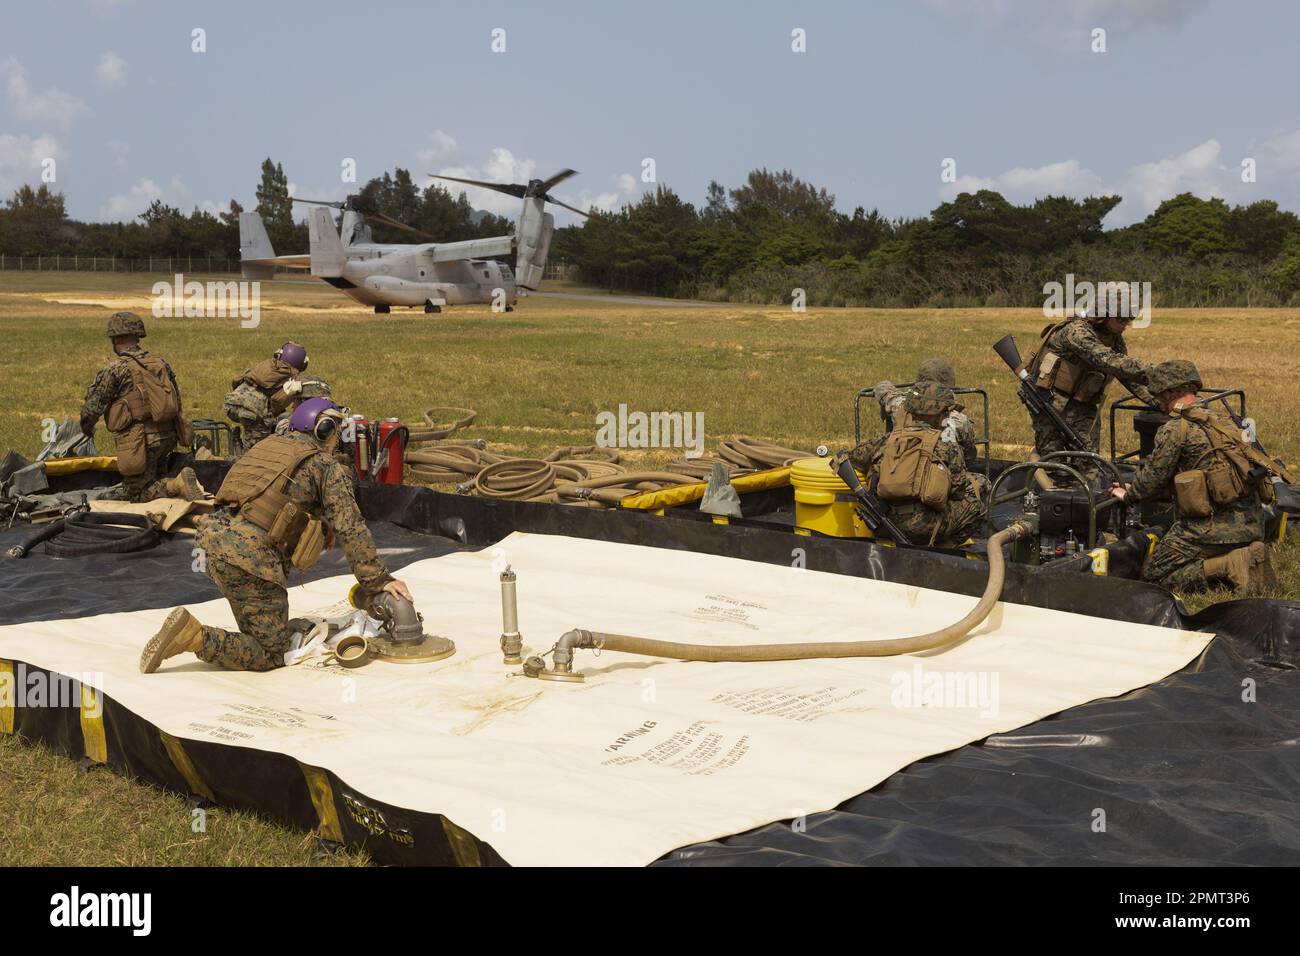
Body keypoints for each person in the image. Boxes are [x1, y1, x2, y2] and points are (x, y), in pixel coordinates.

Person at [140, 397, 412, 674]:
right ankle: (194, 637)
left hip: (211, 546)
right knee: (271, 653)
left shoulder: (265, 447)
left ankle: (256, 631)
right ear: (323, 429)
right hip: (251, 562)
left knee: (266, 629)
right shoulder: (323, 466)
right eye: (336, 433)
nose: (337, 442)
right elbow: (351, 528)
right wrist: (378, 580)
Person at [1110, 359, 1290, 594]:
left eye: (1159, 396)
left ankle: (1229, 565)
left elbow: (1151, 481)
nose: (1158, 402)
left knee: (1154, 576)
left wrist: (1128, 494)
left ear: (1169, 392)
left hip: (1210, 528)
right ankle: (1242, 557)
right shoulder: (1224, 421)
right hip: (1254, 522)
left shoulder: (1175, 429)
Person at [1022, 283, 1155, 467]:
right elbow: (1106, 360)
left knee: (1089, 463)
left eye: (1128, 320)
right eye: (1122, 320)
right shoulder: (1076, 331)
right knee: (1053, 463)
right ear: (1103, 315)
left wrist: (1157, 400)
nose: (1126, 326)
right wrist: (1157, 372)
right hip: (1052, 405)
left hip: (1083, 405)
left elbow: (1124, 374)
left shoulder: (1113, 337)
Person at [79, 311, 203, 502]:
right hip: (168, 436)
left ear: (116, 338)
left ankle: (176, 485)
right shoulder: (160, 363)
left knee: (137, 493)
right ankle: (170, 488)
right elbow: (176, 399)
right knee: (155, 478)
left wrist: (86, 429)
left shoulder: (116, 369)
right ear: (137, 336)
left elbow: (92, 408)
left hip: (141, 441)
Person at [849, 382, 986, 547]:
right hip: (928, 528)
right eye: (946, 412)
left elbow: (851, 459)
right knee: (981, 486)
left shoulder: (886, 441)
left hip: (883, 524)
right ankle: (946, 548)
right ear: (938, 414)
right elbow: (958, 492)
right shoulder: (948, 446)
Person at [873, 357, 980, 467]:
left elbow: (882, 388)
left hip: (900, 471)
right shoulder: (960, 421)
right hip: (942, 478)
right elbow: (970, 457)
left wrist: (908, 395)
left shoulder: (900, 407)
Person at [224, 342, 309, 457]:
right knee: (255, 455)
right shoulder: (292, 377)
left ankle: (237, 444)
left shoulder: (267, 365)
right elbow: (278, 401)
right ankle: (239, 460)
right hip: (252, 412)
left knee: (254, 432)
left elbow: (237, 380)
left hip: (231, 404)